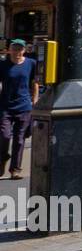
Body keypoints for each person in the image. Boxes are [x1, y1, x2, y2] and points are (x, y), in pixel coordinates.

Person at [0, 39, 39, 179]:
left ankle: (15, 169)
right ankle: (2, 159)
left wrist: (35, 100)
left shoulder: (31, 63)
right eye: (14, 48)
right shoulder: (3, 65)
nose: (17, 52)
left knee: (20, 138)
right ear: (9, 49)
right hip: (5, 106)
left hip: (24, 106)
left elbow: (34, 83)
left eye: (20, 49)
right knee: (4, 135)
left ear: (24, 50)